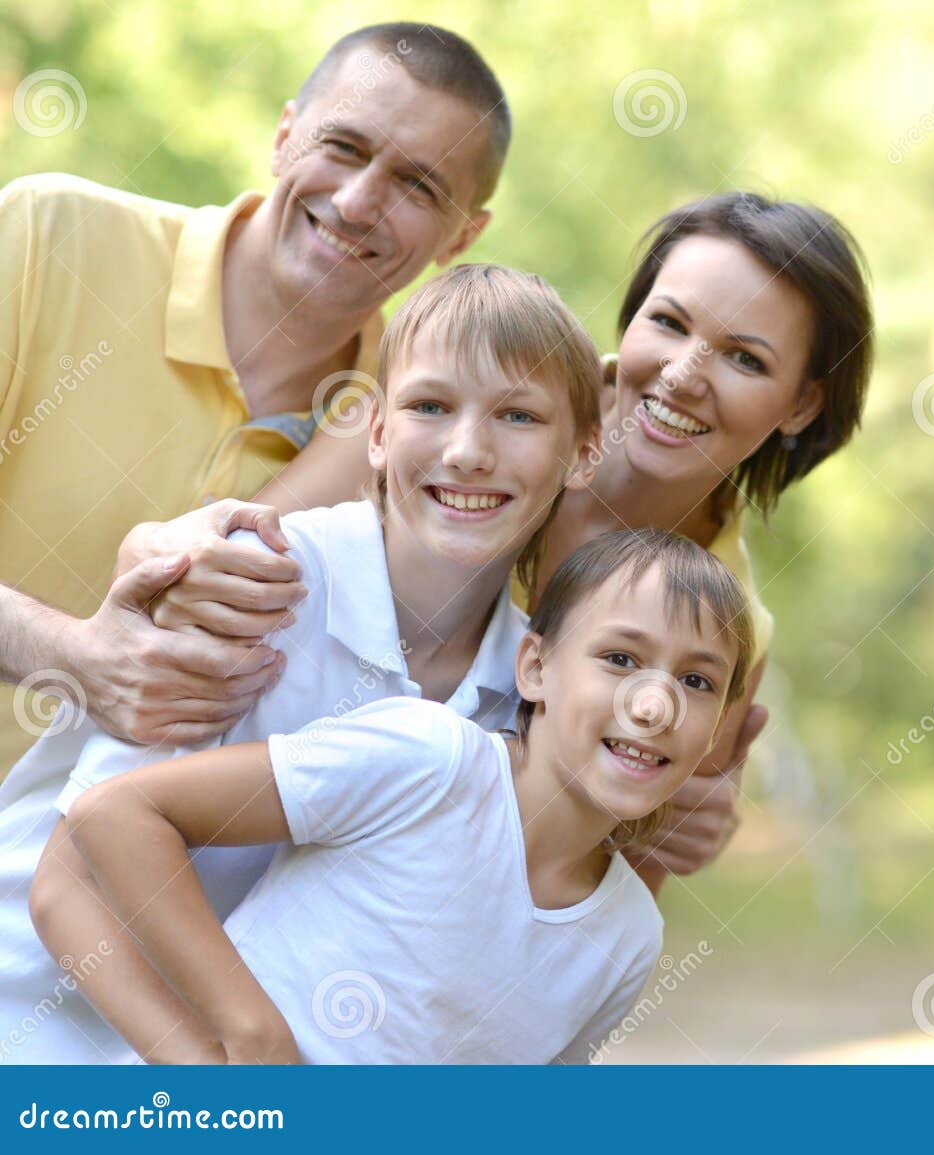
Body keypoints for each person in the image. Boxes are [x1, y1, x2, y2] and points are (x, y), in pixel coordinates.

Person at [118, 192, 878, 888]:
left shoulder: (726, 622)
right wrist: (161, 551)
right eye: (669, 323)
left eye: (746, 358)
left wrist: (662, 826)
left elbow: (589, 892)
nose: (682, 374)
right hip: (176, 834)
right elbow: (225, 561)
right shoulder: (456, 402)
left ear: (802, 405)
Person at [8, 263, 601, 1063]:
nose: (468, 451)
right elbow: (64, 885)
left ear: (584, 453)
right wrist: (228, 1083)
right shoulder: (254, 587)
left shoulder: (527, 701)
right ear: (378, 433)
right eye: (430, 406)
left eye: (518, 415)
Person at [0, 22, 508, 773]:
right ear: (284, 137)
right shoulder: (50, 236)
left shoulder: (420, 431)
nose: (358, 201)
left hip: (110, 846)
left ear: (462, 237)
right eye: (344, 147)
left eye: (417, 186)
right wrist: (72, 656)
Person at [45, 530, 754, 1063]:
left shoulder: (629, 937)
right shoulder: (431, 760)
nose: (654, 705)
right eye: (620, 659)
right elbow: (117, 814)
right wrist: (238, 1040)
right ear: (535, 668)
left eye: (697, 681)